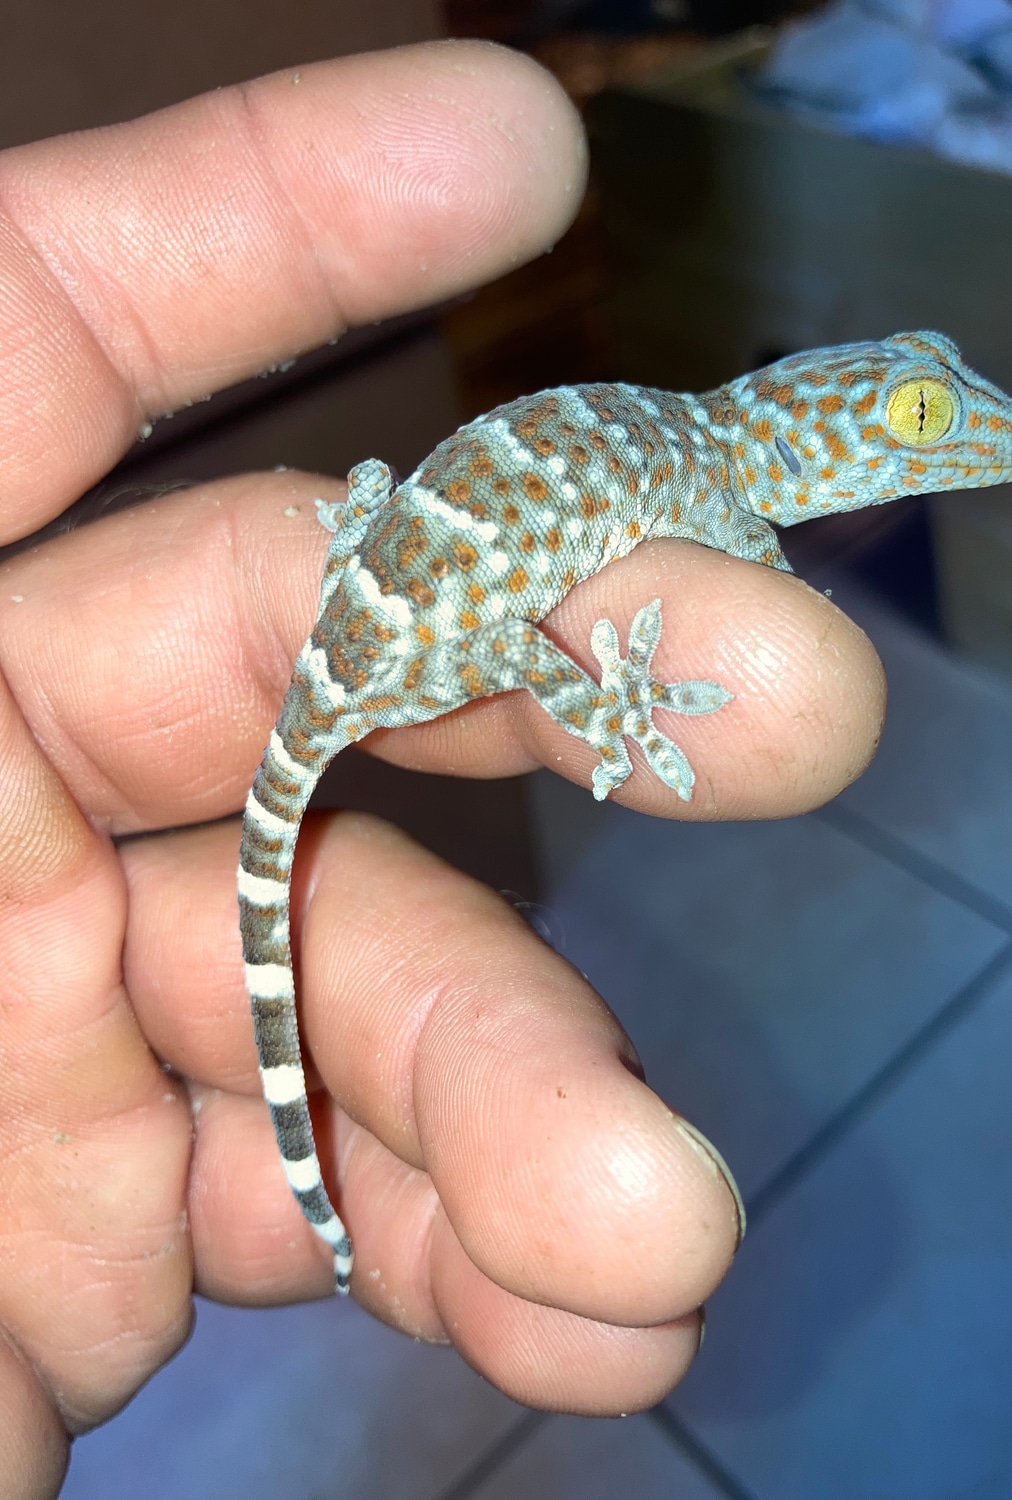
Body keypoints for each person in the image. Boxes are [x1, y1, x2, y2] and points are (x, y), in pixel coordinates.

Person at [0, 39, 886, 1499]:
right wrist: (609, 703)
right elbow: (592, 621)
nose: (927, 435)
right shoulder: (722, 495)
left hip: (386, 588)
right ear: (817, 430)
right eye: (910, 419)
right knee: (540, 659)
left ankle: (412, 577)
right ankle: (322, 1201)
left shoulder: (717, 468)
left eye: (914, 412)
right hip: (405, 637)